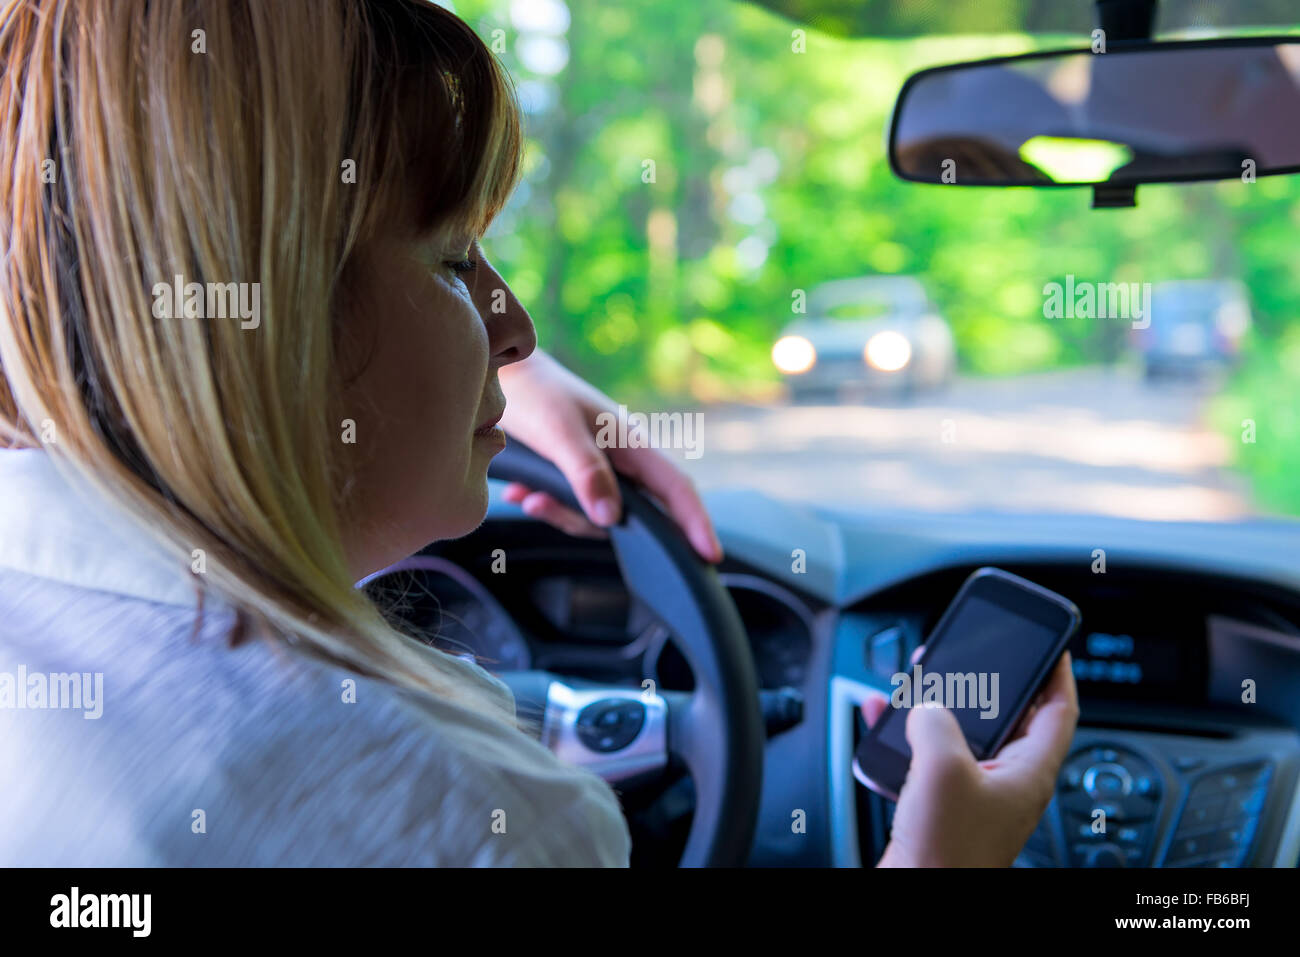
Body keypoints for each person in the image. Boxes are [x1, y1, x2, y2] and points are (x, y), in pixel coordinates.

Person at [0, 0, 1075, 866]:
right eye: (455, 259)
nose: (515, 328)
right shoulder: (462, 808)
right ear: (276, 328)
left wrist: (473, 363)